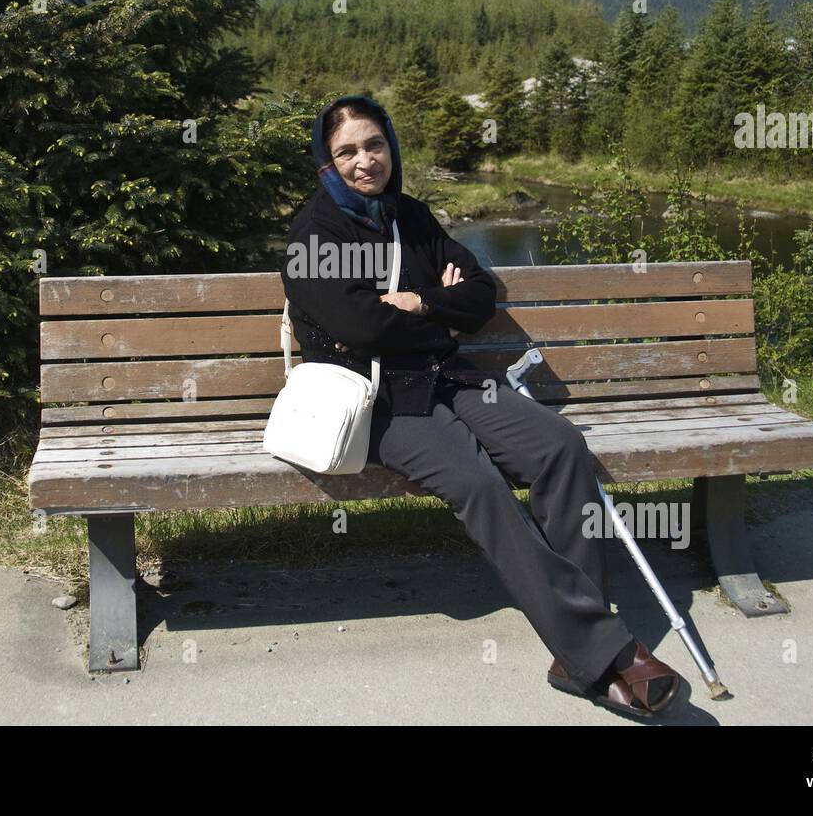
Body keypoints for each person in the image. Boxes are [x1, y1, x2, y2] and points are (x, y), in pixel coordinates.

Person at [279, 94, 682, 719]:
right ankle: (604, 656)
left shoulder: (410, 217)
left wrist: (419, 306)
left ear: (392, 146)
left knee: (559, 448)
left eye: (375, 144)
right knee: (479, 483)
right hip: (377, 400)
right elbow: (361, 329)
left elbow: (480, 293)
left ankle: (576, 650)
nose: (366, 161)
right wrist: (432, 310)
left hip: (448, 380)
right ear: (326, 162)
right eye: (348, 151)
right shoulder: (314, 232)